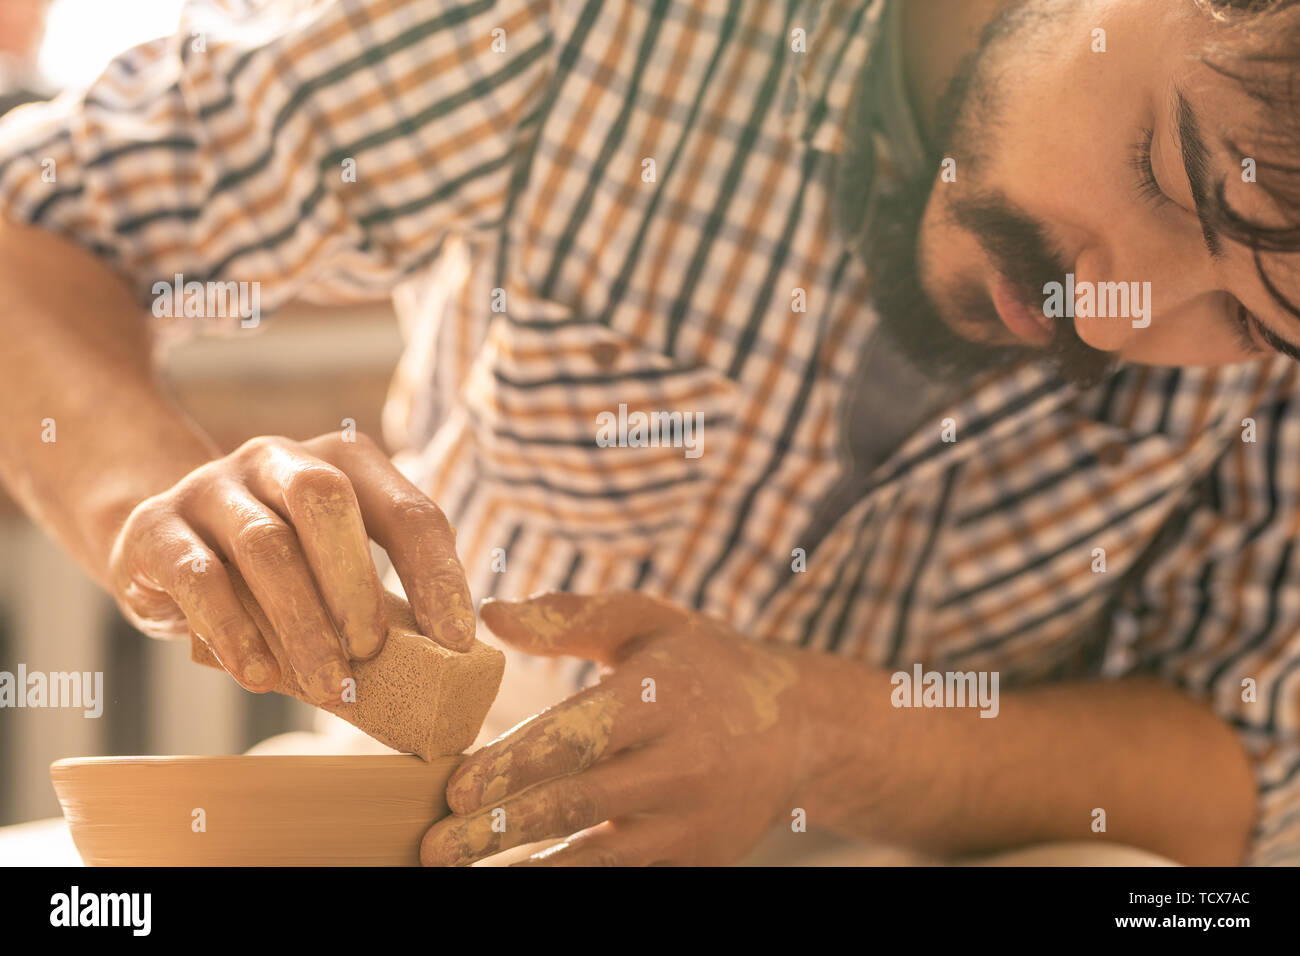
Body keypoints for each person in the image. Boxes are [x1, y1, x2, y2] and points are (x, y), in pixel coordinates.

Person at [0, 0, 1297, 866]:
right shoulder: (603, 24)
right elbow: (34, 232)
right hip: (431, 827)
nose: (1113, 318)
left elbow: (1245, 760)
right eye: (1162, 174)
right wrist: (173, 515)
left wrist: (818, 738)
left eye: (1244, 318)